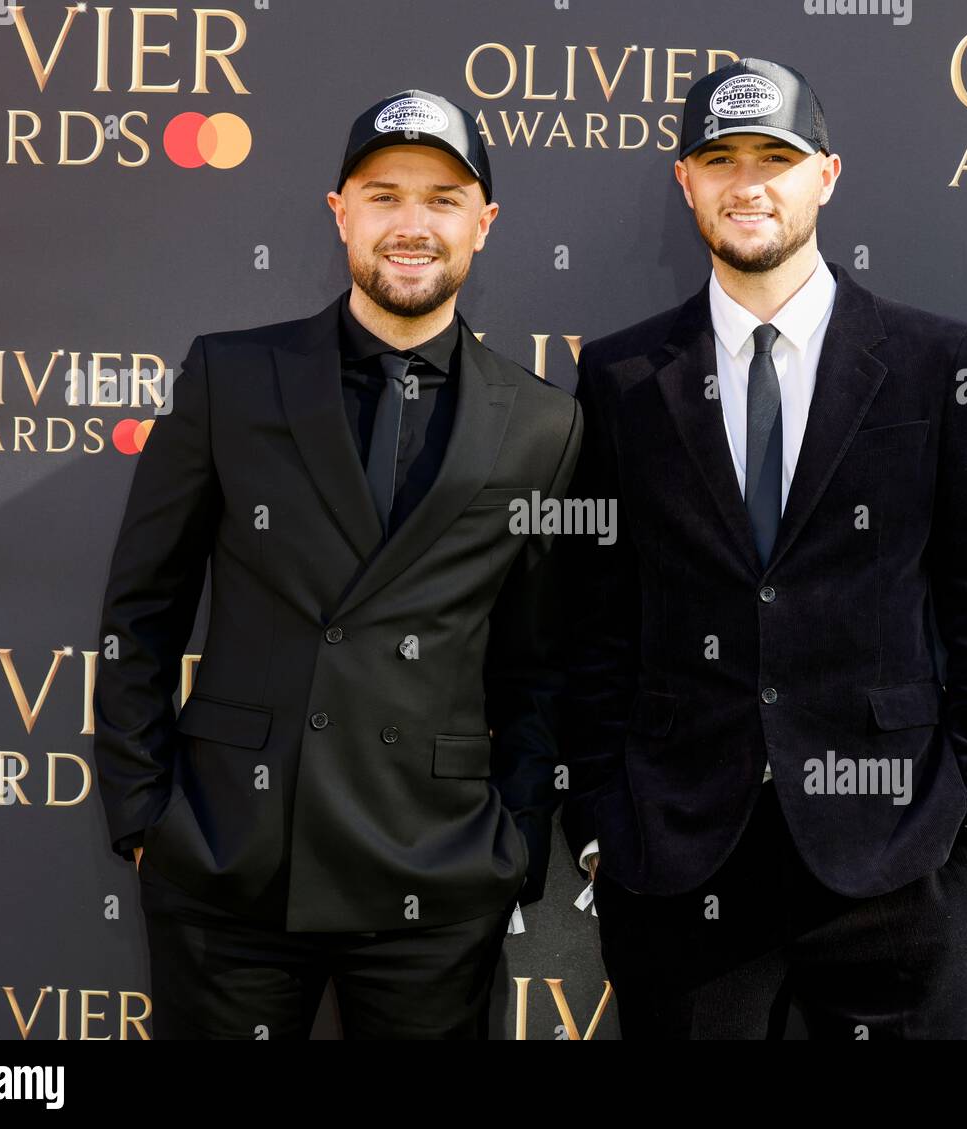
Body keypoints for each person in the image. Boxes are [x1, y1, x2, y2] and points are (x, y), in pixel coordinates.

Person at [559, 58, 967, 1039]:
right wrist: (599, 823)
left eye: (773, 157)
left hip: (899, 864)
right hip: (679, 865)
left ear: (825, 174)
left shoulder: (935, 362)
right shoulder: (618, 375)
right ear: (683, 179)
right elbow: (590, 616)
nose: (747, 183)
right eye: (719, 158)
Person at [93, 88, 582, 1039]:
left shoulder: (543, 424)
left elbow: (540, 663)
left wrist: (514, 847)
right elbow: (139, 614)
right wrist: (147, 816)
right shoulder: (231, 379)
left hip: (433, 879)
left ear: (483, 224)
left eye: (442, 198)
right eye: (384, 193)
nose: (411, 224)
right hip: (231, 861)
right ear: (339, 212)